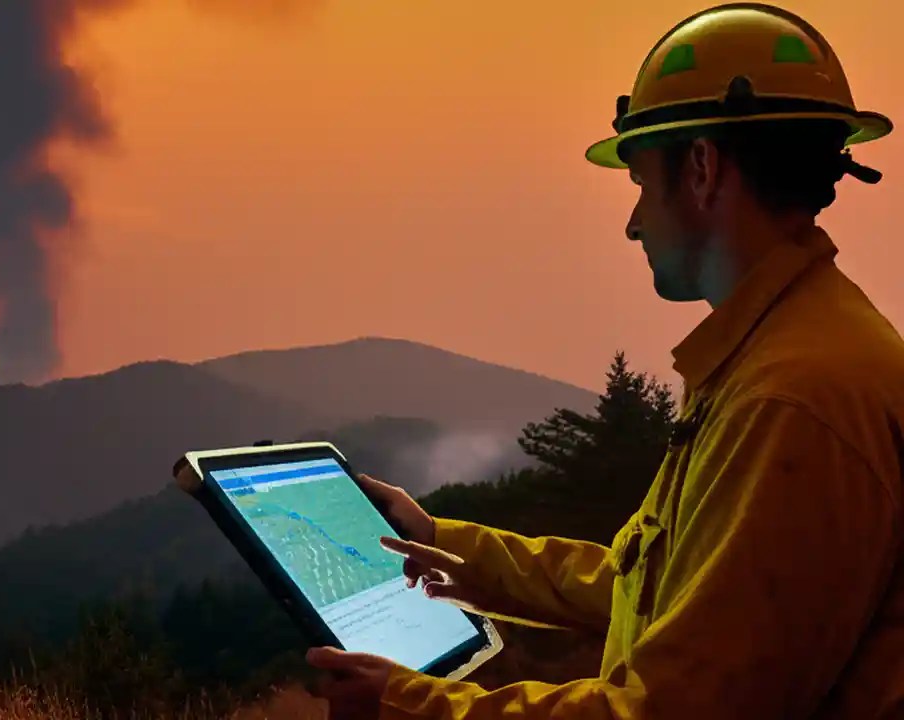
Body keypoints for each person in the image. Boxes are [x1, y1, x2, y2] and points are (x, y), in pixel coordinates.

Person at [306, 3, 904, 718]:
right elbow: (644, 585)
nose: (632, 223)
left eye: (641, 185)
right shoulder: (785, 353)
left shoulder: (792, 397)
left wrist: (407, 704)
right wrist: (440, 543)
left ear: (704, 170)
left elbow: (677, 709)